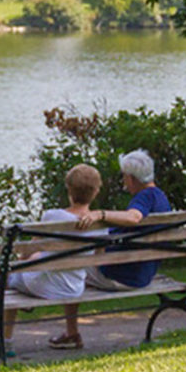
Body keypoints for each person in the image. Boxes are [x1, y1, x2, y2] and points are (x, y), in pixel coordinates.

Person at [48, 149, 171, 350]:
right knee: (79, 263)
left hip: (122, 276)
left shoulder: (144, 198)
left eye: (124, 176)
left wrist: (100, 214)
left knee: (71, 265)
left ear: (131, 178)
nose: (123, 180)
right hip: (143, 273)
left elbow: (134, 217)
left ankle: (71, 334)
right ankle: (71, 333)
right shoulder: (160, 198)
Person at [0, 164, 104, 357]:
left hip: (43, 286)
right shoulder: (101, 225)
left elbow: (29, 250)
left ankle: (6, 342)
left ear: (68, 189)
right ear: (95, 192)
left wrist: (18, 265)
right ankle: (72, 332)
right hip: (74, 288)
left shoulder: (52, 216)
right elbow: (97, 258)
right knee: (54, 264)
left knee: (10, 275)